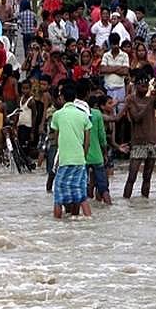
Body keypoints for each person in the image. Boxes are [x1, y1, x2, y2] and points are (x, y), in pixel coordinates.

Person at [123, 71, 156, 199]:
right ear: (136, 86)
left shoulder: (151, 99)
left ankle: (145, 203)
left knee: (147, 177)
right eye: (141, 85)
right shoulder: (131, 99)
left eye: (146, 85)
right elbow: (136, 118)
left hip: (152, 141)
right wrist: (150, 102)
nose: (144, 88)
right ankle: (126, 203)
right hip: (138, 142)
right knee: (132, 176)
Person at [51, 83, 93, 218]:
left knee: (58, 197)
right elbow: (87, 141)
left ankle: (57, 224)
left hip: (65, 160)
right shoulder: (83, 116)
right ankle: (89, 220)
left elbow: (56, 139)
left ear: (62, 98)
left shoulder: (57, 115)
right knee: (81, 196)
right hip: (80, 160)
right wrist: (83, 155)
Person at [86, 93, 111, 204]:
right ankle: (109, 207)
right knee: (103, 187)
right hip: (97, 156)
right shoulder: (97, 114)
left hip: (83, 156)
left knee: (86, 185)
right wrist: (105, 154)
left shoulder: (80, 114)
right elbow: (102, 137)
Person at [100, 33, 130, 113]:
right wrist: (118, 67)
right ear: (110, 44)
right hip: (108, 88)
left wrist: (109, 68)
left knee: (121, 112)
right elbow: (102, 69)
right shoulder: (106, 55)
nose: (115, 46)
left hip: (120, 88)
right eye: (113, 44)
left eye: (117, 43)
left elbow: (125, 71)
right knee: (109, 112)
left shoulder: (124, 55)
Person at [16, 79, 35, 155]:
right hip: (20, 125)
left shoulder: (31, 101)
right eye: (23, 88)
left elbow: (34, 115)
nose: (25, 91)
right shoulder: (20, 99)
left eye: (27, 88)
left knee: (25, 147)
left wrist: (32, 131)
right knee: (19, 145)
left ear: (30, 89)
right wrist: (15, 125)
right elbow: (18, 112)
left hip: (28, 127)